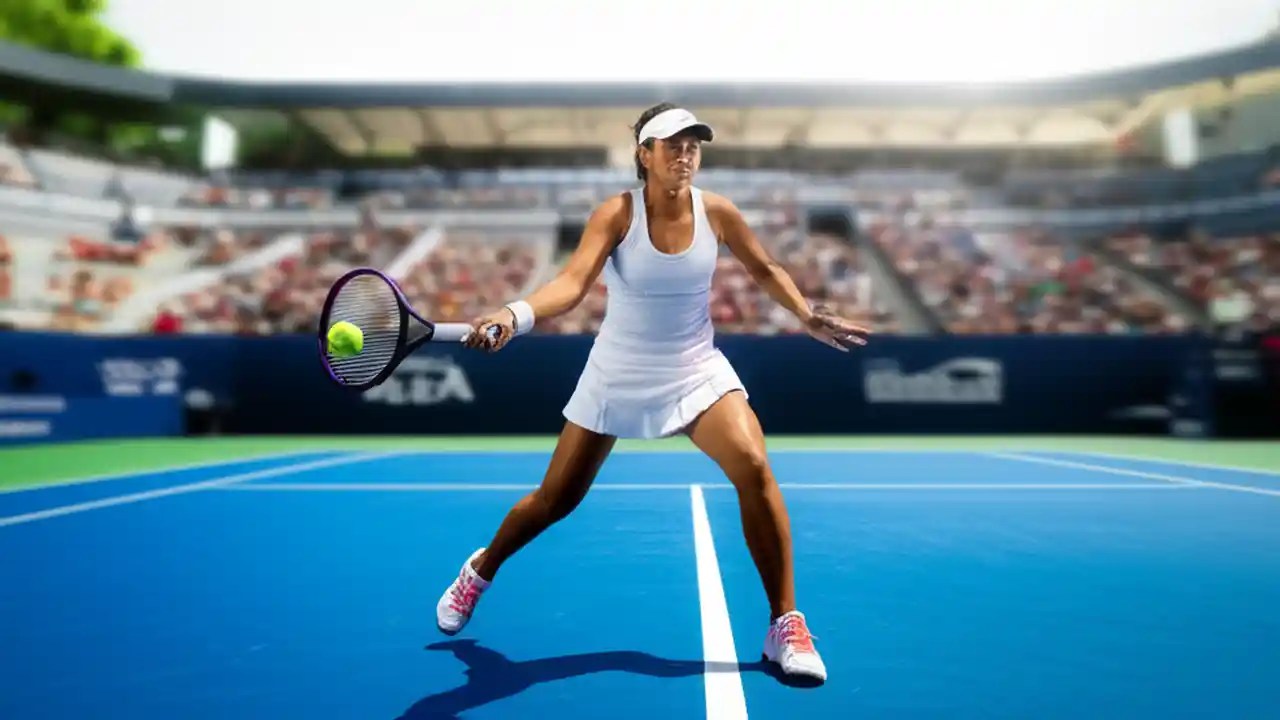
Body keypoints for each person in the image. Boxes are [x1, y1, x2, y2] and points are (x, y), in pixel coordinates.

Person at [434, 103, 870, 684]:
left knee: (754, 465)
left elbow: (765, 268)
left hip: (695, 368)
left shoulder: (717, 212)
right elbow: (571, 283)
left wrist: (805, 313)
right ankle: (481, 569)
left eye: (693, 144)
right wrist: (515, 316)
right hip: (617, 370)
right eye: (671, 144)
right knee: (555, 500)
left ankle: (783, 623)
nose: (685, 153)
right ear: (644, 154)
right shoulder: (616, 214)